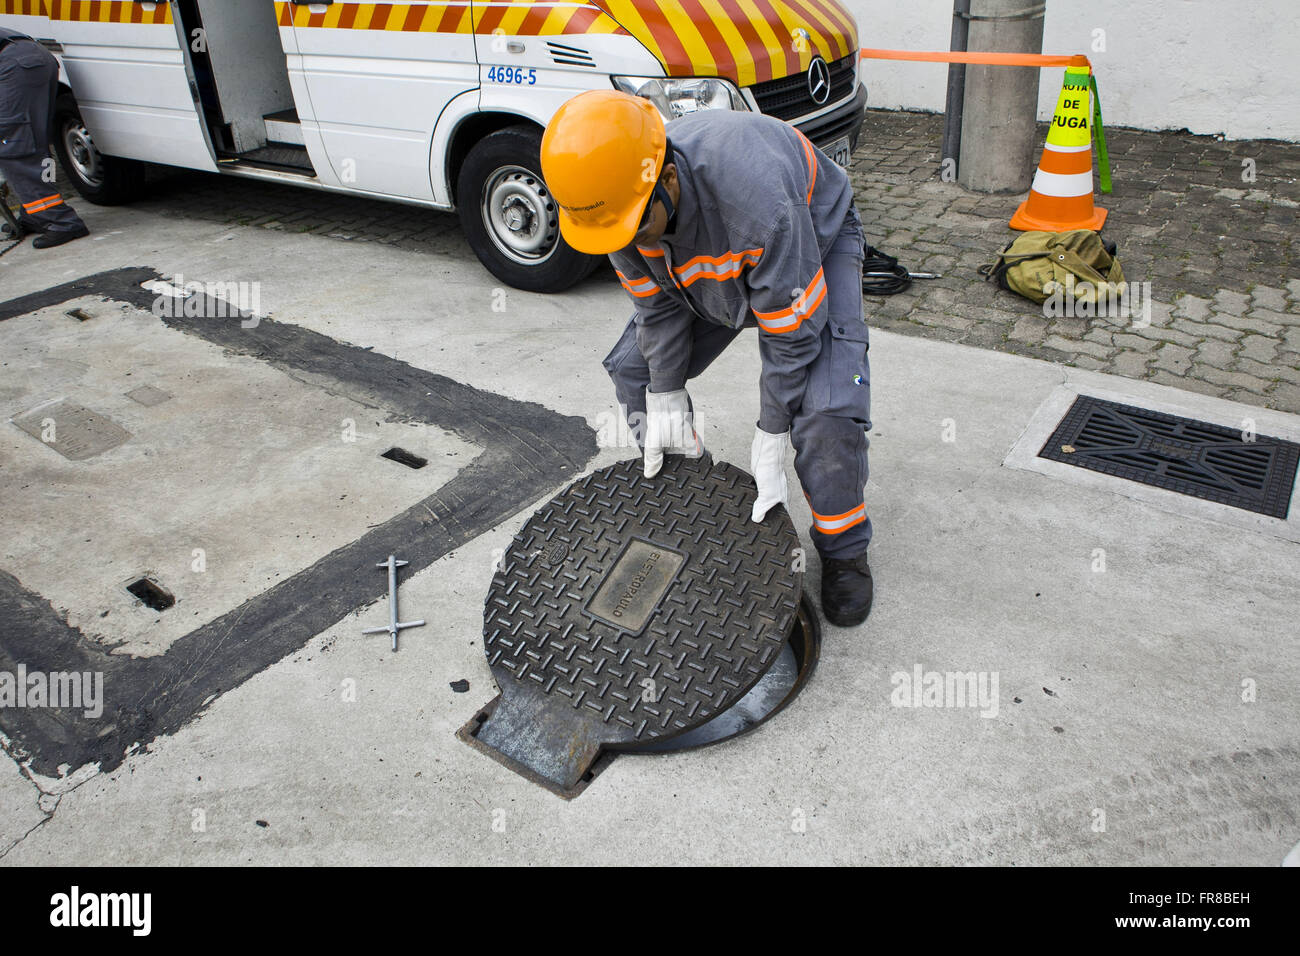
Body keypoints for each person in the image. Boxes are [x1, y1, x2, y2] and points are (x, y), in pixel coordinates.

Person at [541, 90, 875, 627]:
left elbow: (791, 334)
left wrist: (771, 431)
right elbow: (657, 312)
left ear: (668, 180)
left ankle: (844, 552)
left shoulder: (756, 203)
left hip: (813, 239)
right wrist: (666, 394)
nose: (625, 243)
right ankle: (688, 496)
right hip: (710, 257)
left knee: (824, 414)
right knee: (637, 370)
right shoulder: (617, 206)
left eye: (634, 228)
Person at [0, 25, 89, 248]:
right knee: (35, 143)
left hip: (14, 66)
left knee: (13, 145)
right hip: (32, 58)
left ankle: (61, 221)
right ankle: (35, 211)